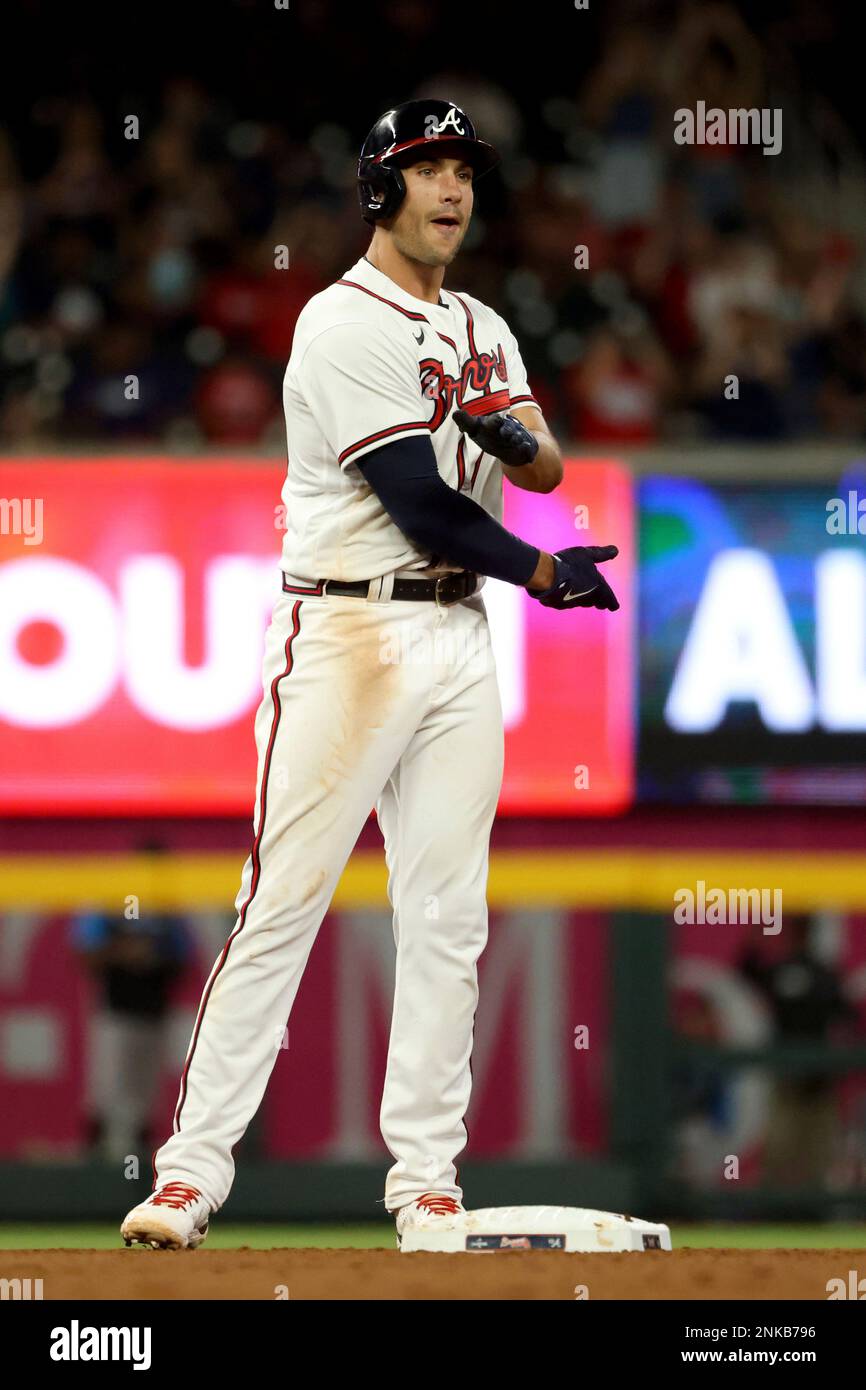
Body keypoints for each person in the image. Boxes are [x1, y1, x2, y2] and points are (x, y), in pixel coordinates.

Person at [121, 99, 620, 1250]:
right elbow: (418, 503)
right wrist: (540, 570)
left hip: (457, 639)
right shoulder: (341, 322)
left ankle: (426, 1186)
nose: (450, 189)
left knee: (447, 918)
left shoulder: (486, 325)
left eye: (462, 170)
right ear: (379, 190)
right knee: (283, 902)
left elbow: (543, 465)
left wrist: (516, 442)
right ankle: (191, 1177)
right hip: (346, 633)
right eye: (425, 168)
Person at [73, 845, 192, 1162]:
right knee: (106, 1093)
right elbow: (86, 950)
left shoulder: (168, 913)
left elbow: (185, 959)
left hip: (154, 1015)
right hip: (115, 1013)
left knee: (143, 1099)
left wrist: (152, 958)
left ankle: (136, 1173)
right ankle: (94, 1171)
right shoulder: (114, 903)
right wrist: (124, 953)